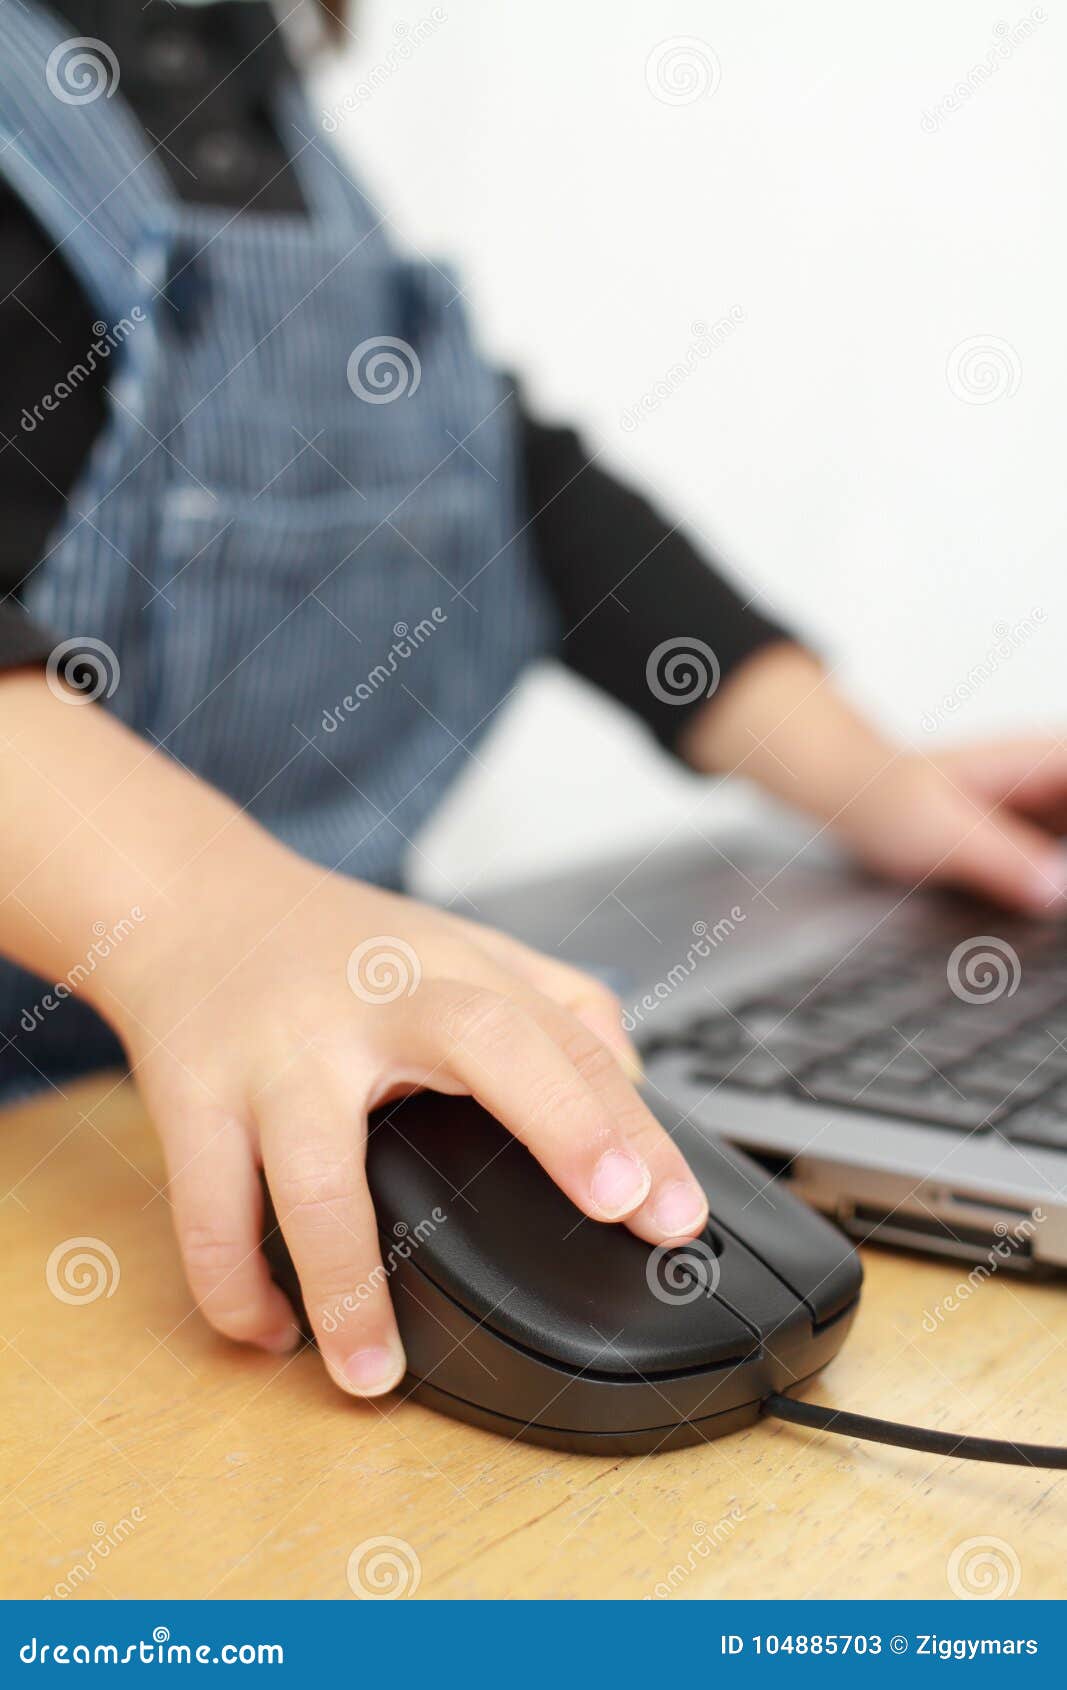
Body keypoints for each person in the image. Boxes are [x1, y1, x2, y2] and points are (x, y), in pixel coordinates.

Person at [2, 0, 1065, 1401]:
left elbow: (523, 490)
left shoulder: (254, 97)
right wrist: (209, 922)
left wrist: (866, 774)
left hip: (336, 1057)